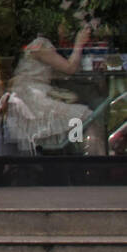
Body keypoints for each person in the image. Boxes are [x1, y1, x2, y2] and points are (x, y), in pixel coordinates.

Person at [6, 24, 106, 156]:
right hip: (33, 98)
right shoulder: (41, 44)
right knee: (86, 116)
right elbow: (69, 68)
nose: (63, 30)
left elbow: (61, 72)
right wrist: (79, 43)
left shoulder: (39, 46)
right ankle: (97, 161)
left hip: (33, 95)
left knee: (85, 118)